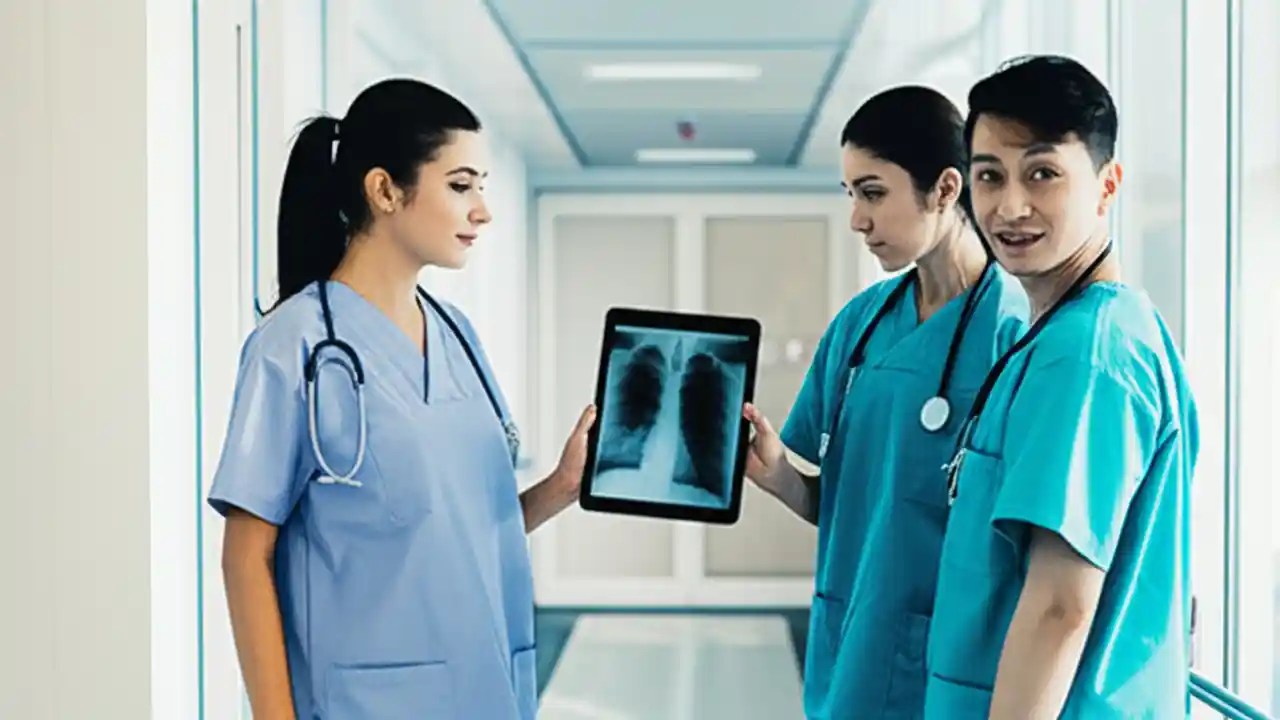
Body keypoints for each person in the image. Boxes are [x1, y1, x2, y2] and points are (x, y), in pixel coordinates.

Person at [207, 78, 595, 720]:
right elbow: (246, 556)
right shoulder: (295, 346)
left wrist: (561, 485)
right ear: (385, 190)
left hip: (485, 689)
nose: (483, 210)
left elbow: (451, 529)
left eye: (483, 186)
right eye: (461, 184)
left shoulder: (457, 337)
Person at [923, 55, 1199, 719]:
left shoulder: (1087, 355)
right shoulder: (1078, 333)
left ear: (1107, 186)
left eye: (1043, 173)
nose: (1010, 206)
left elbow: (1059, 607)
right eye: (990, 176)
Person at [743, 85, 1030, 719]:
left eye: (873, 193)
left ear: (947, 190)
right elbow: (856, 509)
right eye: (850, 195)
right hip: (847, 646)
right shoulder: (860, 327)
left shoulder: (1015, 337)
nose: (857, 220)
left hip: (948, 666)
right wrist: (781, 478)